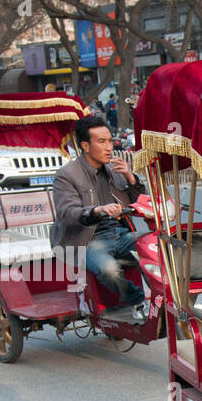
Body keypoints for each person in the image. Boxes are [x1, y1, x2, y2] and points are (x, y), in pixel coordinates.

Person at [51, 113, 147, 320]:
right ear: (85, 146)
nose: (109, 147)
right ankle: (139, 301)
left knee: (155, 247)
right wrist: (97, 210)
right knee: (109, 269)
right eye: (101, 142)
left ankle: (166, 299)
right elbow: (67, 213)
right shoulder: (67, 175)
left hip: (119, 234)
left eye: (110, 141)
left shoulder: (113, 170)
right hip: (86, 240)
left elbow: (140, 202)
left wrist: (130, 178)